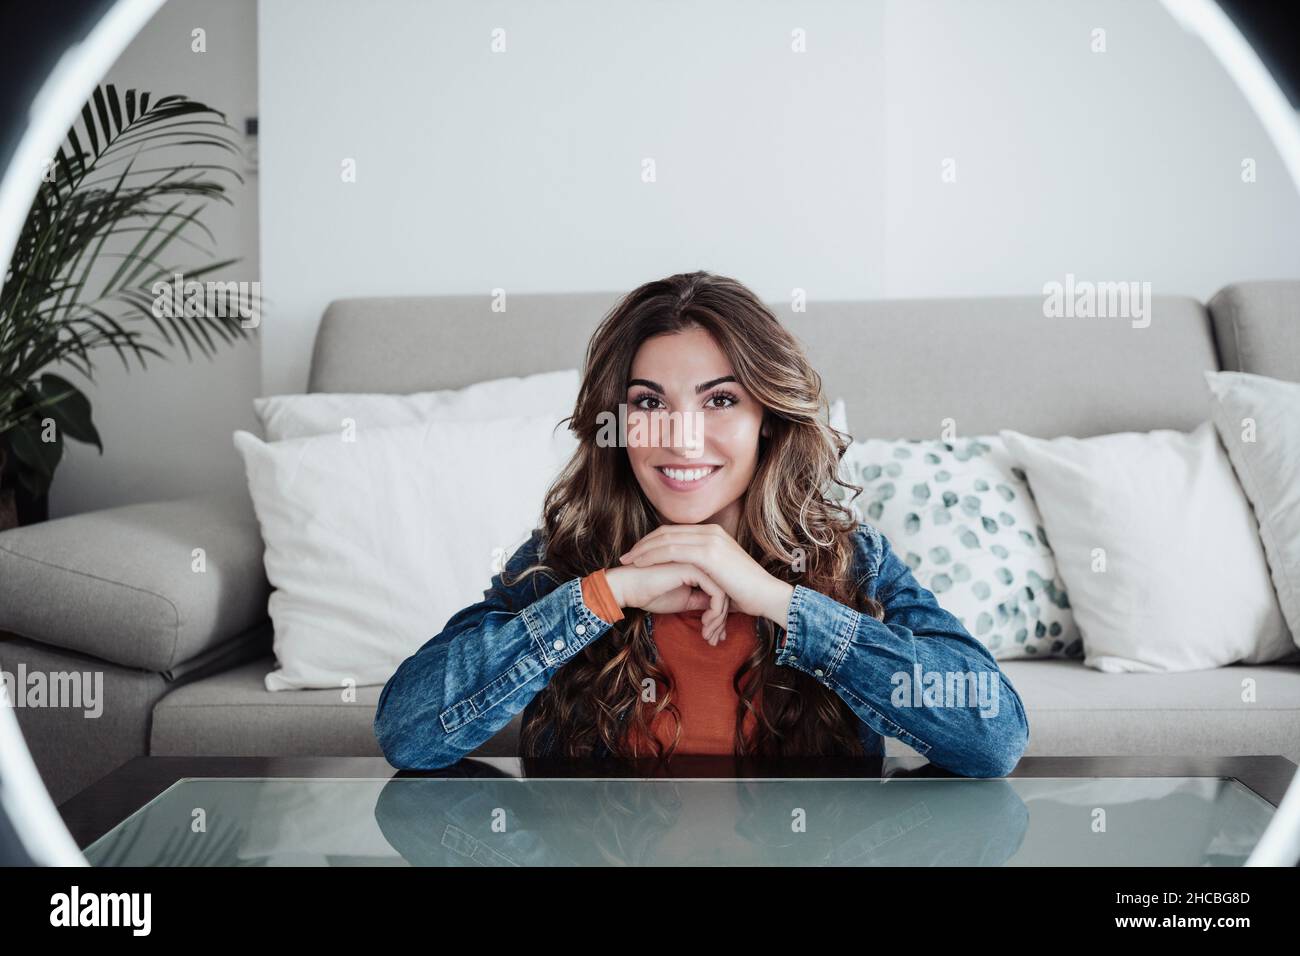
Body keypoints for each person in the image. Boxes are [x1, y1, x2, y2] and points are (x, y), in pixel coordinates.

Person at [374, 270, 1028, 777]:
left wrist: (776, 600)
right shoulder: (566, 560)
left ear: (767, 418)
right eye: (649, 403)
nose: (683, 440)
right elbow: (408, 732)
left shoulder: (853, 560)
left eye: (719, 400)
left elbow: (992, 737)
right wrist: (608, 595)